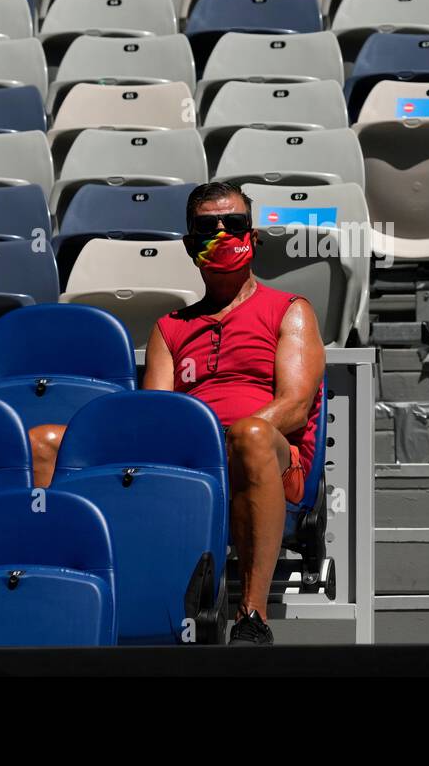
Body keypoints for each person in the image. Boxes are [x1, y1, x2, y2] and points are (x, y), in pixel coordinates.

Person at [143, 181, 326, 645]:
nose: (223, 233)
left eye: (235, 223)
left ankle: (252, 617)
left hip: (270, 457)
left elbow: (296, 406)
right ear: (190, 246)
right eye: (208, 227)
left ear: (254, 236)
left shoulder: (290, 310)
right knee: (49, 442)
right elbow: (157, 417)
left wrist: (229, 438)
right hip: (197, 465)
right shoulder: (169, 329)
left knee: (251, 435)